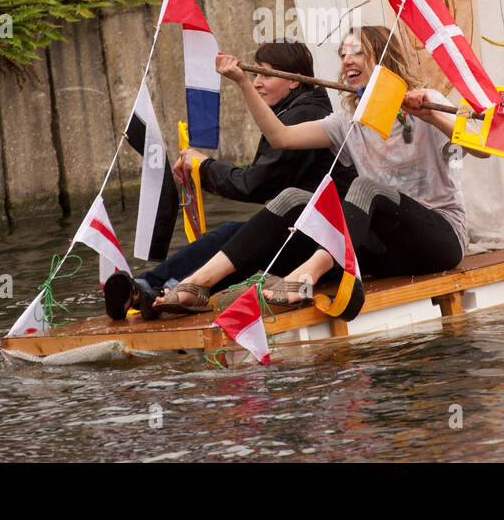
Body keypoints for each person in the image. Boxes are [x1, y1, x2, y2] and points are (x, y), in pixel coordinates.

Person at [153, 25, 487, 320]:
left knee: (365, 186)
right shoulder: (346, 121)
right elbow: (280, 137)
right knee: (294, 198)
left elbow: (481, 150)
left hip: (439, 243)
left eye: (357, 51)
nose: (346, 60)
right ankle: (196, 285)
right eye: (343, 54)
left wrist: (432, 117)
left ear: (384, 59)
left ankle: (307, 277)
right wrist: (242, 83)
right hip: (381, 255)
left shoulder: (427, 101)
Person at [103, 39, 353, 320]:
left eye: (265, 75)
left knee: (240, 235)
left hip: (329, 248)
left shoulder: (304, 116)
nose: (257, 83)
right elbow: (260, 175)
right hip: (308, 234)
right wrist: (204, 167)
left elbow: (254, 185)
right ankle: (155, 287)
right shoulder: (297, 112)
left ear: (294, 81)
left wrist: (204, 166)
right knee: (239, 234)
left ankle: (158, 287)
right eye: (255, 75)